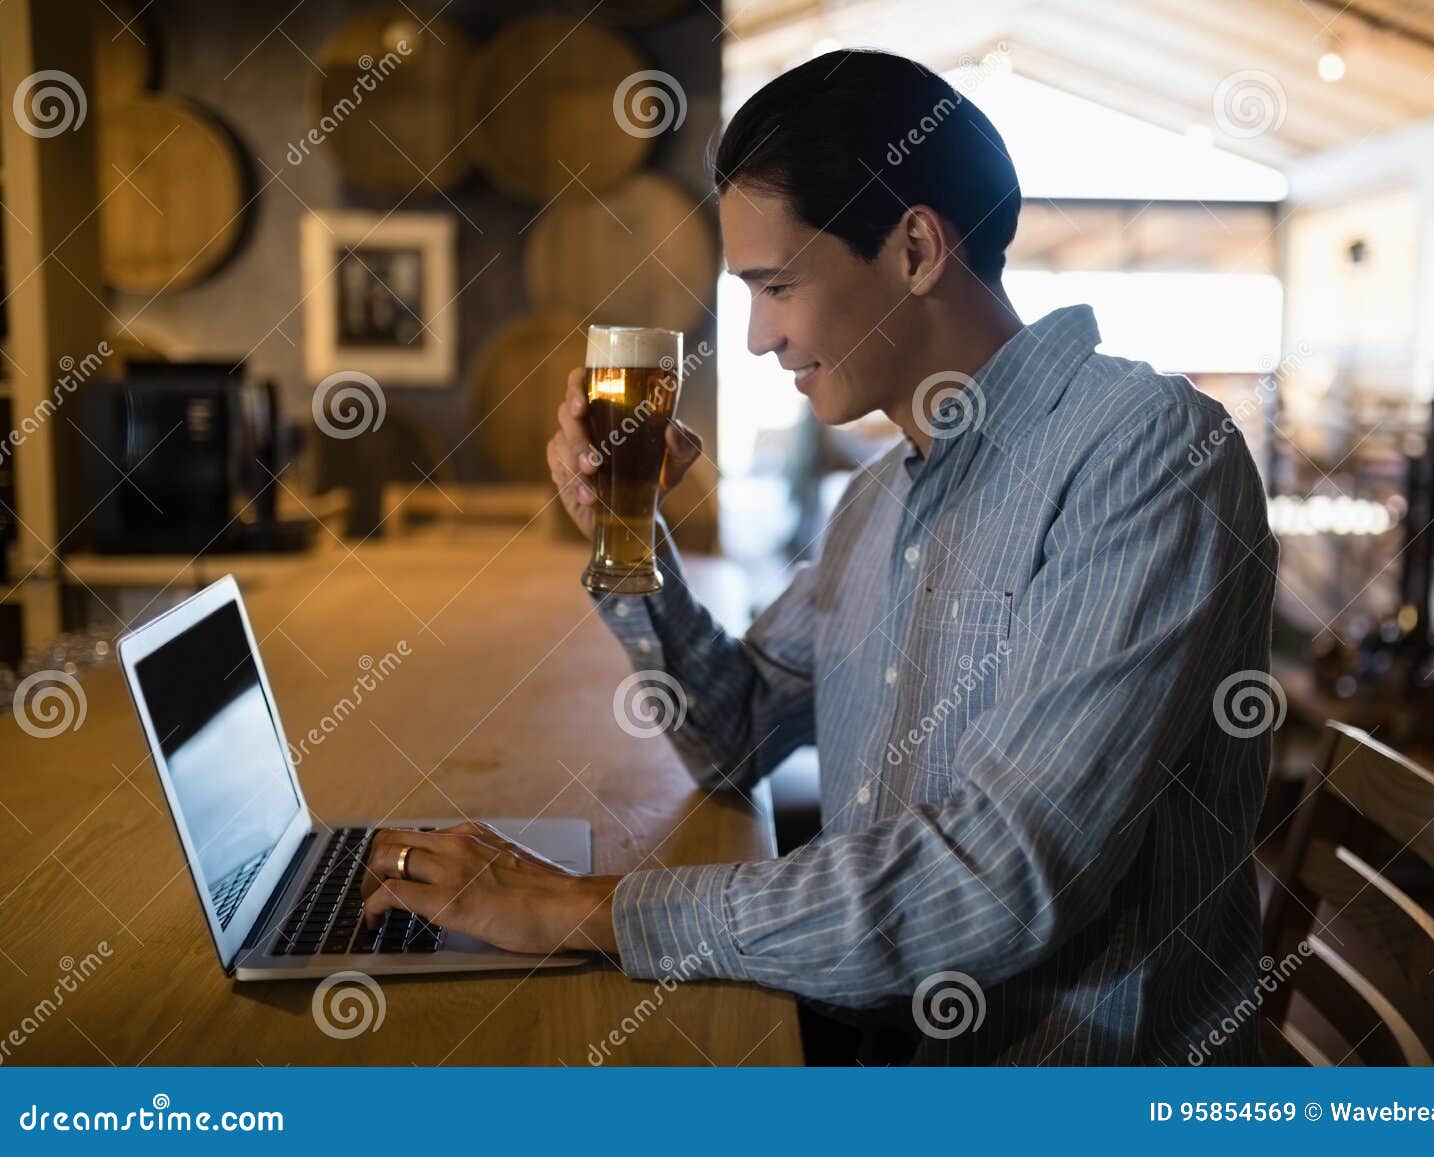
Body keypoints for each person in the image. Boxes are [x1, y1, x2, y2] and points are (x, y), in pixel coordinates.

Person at [363, 49, 1278, 1065]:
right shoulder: (880, 496)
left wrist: (587, 908)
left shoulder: (1145, 451)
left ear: (917, 249)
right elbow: (736, 735)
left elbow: (1001, 882)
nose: (757, 336)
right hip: (876, 1038)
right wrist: (625, 539)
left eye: (777, 283)